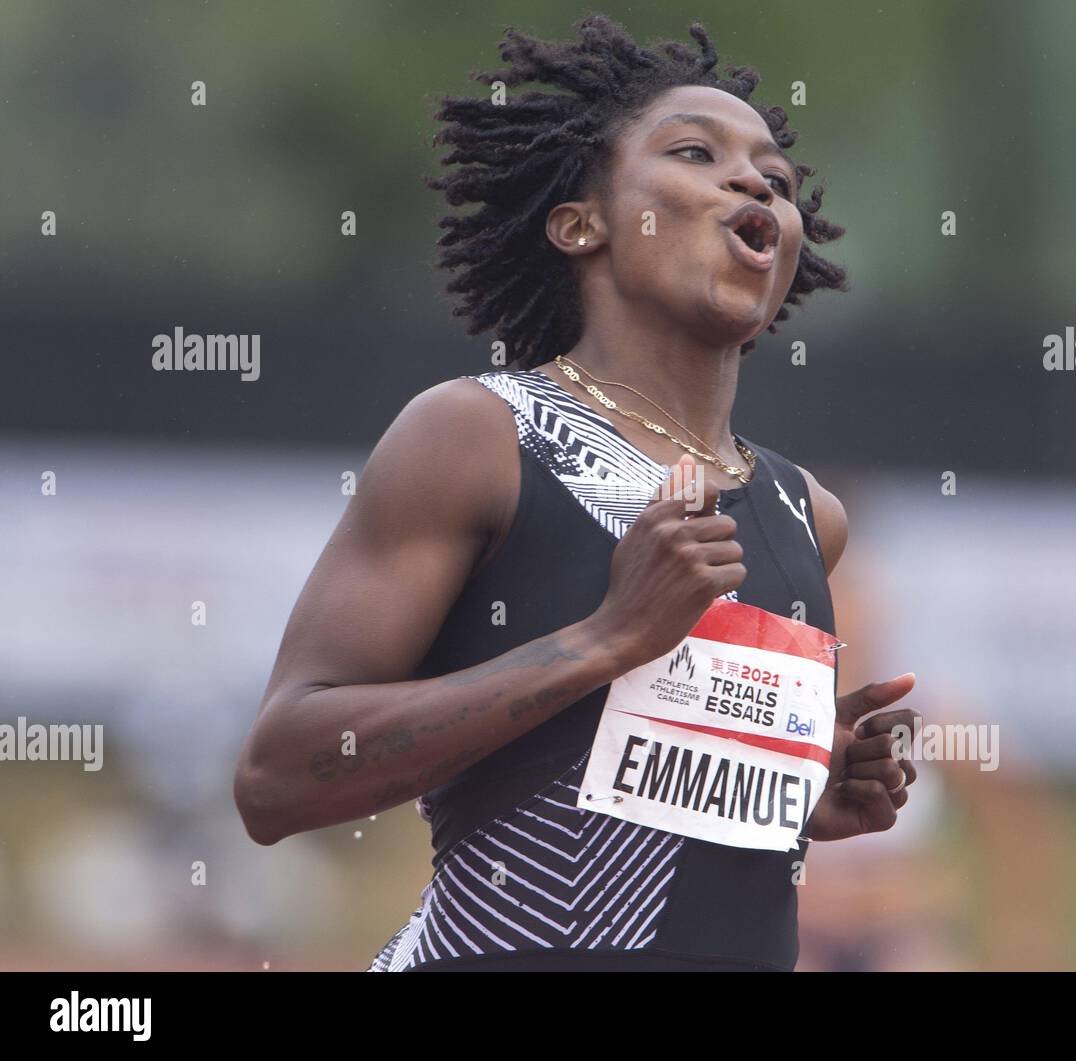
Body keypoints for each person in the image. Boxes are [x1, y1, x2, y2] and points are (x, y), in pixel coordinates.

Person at [233, 13, 918, 972]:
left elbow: (610, 791)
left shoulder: (809, 513)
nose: (755, 179)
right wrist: (603, 638)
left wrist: (794, 781)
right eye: (695, 151)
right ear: (582, 222)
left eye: (778, 177)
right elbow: (278, 777)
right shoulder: (478, 435)